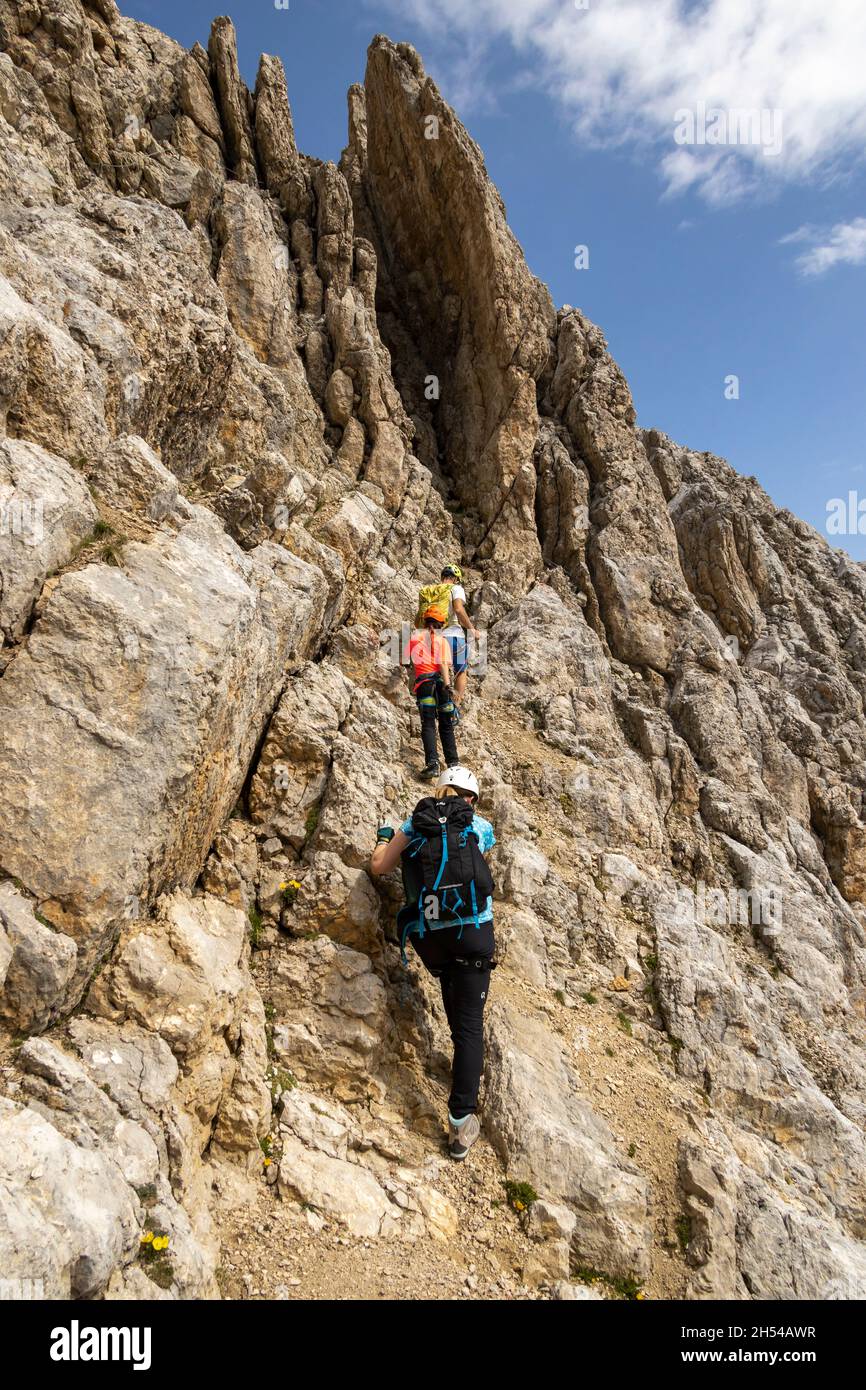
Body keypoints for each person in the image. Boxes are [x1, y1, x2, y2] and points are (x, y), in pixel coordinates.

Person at [369, 766, 496, 1160]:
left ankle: (456, 1025)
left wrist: (384, 838)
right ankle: (460, 1127)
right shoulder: (479, 826)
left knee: (452, 993)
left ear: (439, 790)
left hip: (433, 941)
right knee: (469, 1029)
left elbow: (380, 867)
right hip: (473, 935)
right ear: (471, 798)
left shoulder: (415, 823)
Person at [408, 610, 459, 781]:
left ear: (425, 622)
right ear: (441, 625)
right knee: (446, 725)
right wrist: (448, 685)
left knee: (428, 724)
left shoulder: (415, 638)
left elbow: (404, 661)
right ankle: (453, 765)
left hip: (424, 685)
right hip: (440, 685)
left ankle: (433, 763)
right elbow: (443, 665)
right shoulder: (442, 641)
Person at [439, 564, 479, 706]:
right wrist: (471, 629)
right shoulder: (456, 588)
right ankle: (454, 705)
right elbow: (458, 609)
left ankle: (439, 702)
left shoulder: (434, 590)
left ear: (442, 577)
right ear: (455, 579)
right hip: (455, 636)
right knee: (461, 671)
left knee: (440, 670)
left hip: (437, 636)